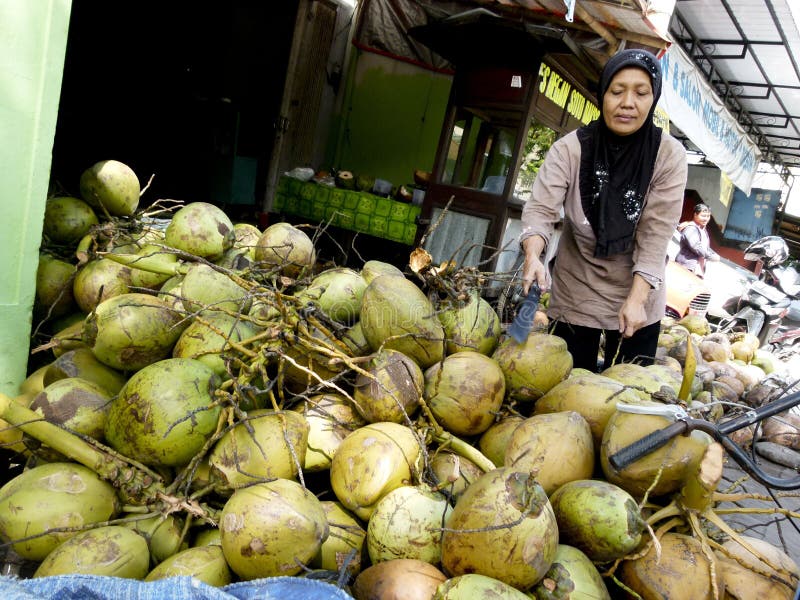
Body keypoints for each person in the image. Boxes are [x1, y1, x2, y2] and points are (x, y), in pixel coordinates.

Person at [519, 49, 687, 372]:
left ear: (654, 98)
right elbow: (540, 210)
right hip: (576, 287)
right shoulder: (570, 149)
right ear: (603, 94)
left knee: (626, 396)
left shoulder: (668, 156)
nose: (628, 102)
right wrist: (533, 256)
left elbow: (655, 236)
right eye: (617, 90)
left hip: (638, 291)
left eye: (641, 93)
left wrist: (637, 300)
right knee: (564, 388)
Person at [675, 203, 720, 277]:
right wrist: (711, 256)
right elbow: (696, 246)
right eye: (703, 216)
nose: (706, 219)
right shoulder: (691, 228)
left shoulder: (702, 229)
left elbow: (705, 247)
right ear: (695, 215)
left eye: (708, 216)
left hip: (696, 267)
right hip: (686, 266)